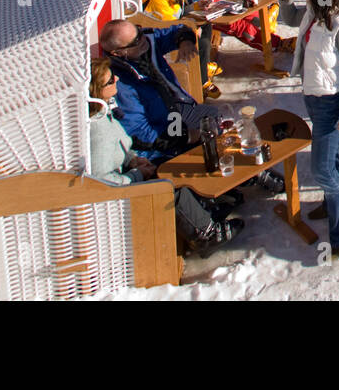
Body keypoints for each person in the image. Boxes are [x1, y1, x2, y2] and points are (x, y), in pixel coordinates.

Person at [87, 57, 242, 252]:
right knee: (171, 178)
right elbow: (101, 183)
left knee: (176, 159)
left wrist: (133, 159)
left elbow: (122, 143)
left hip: (165, 127)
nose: (117, 79)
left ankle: (206, 209)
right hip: (124, 188)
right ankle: (205, 233)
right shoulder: (99, 132)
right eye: (110, 81)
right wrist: (137, 174)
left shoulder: (106, 111)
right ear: (96, 91)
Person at [276, 0, 339, 255]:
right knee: (336, 156)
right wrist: (285, 0)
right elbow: (290, 19)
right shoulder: (316, 14)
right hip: (314, 97)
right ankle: (332, 203)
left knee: (323, 169)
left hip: (331, 102)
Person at [99, 19, 205, 163]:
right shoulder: (120, 84)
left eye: (139, 31)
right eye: (135, 41)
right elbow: (139, 133)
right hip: (159, 151)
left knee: (218, 125)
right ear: (118, 53)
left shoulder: (146, 43)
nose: (142, 39)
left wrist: (185, 41)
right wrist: (185, 138)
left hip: (176, 113)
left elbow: (177, 30)